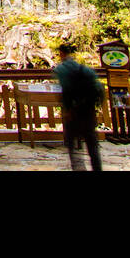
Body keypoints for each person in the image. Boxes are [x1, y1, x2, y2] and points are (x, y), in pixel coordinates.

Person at [54, 42, 104, 171]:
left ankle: (78, 169)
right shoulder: (85, 69)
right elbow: (98, 87)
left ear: (61, 54)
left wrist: (68, 109)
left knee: (72, 145)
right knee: (92, 144)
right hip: (88, 110)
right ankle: (97, 168)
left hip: (74, 112)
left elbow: (66, 90)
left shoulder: (62, 69)